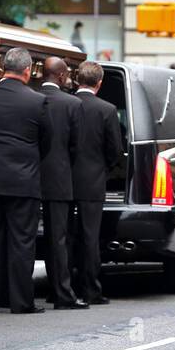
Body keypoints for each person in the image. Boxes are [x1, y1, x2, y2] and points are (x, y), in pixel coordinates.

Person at [0, 48, 52, 314]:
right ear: (27, 70)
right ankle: (20, 302)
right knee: (21, 242)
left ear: (2, 68)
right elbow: (47, 142)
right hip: (22, 184)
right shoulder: (37, 102)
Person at [37, 56, 88, 310]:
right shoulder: (72, 104)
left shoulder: (33, 98)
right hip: (59, 179)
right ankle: (61, 294)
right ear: (59, 76)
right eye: (67, 74)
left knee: (25, 237)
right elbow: (76, 147)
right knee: (59, 238)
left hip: (30, 178)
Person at [71, 60, 124, 305]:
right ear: (99, 83)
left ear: (76, 79)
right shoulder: (107, 110)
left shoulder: (64, 104)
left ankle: (62, 286)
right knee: (89, 237)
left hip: (62, 180)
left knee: (63, 236)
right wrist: (104, 170)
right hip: (93, 181)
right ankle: (90, 289)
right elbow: (115, 150)